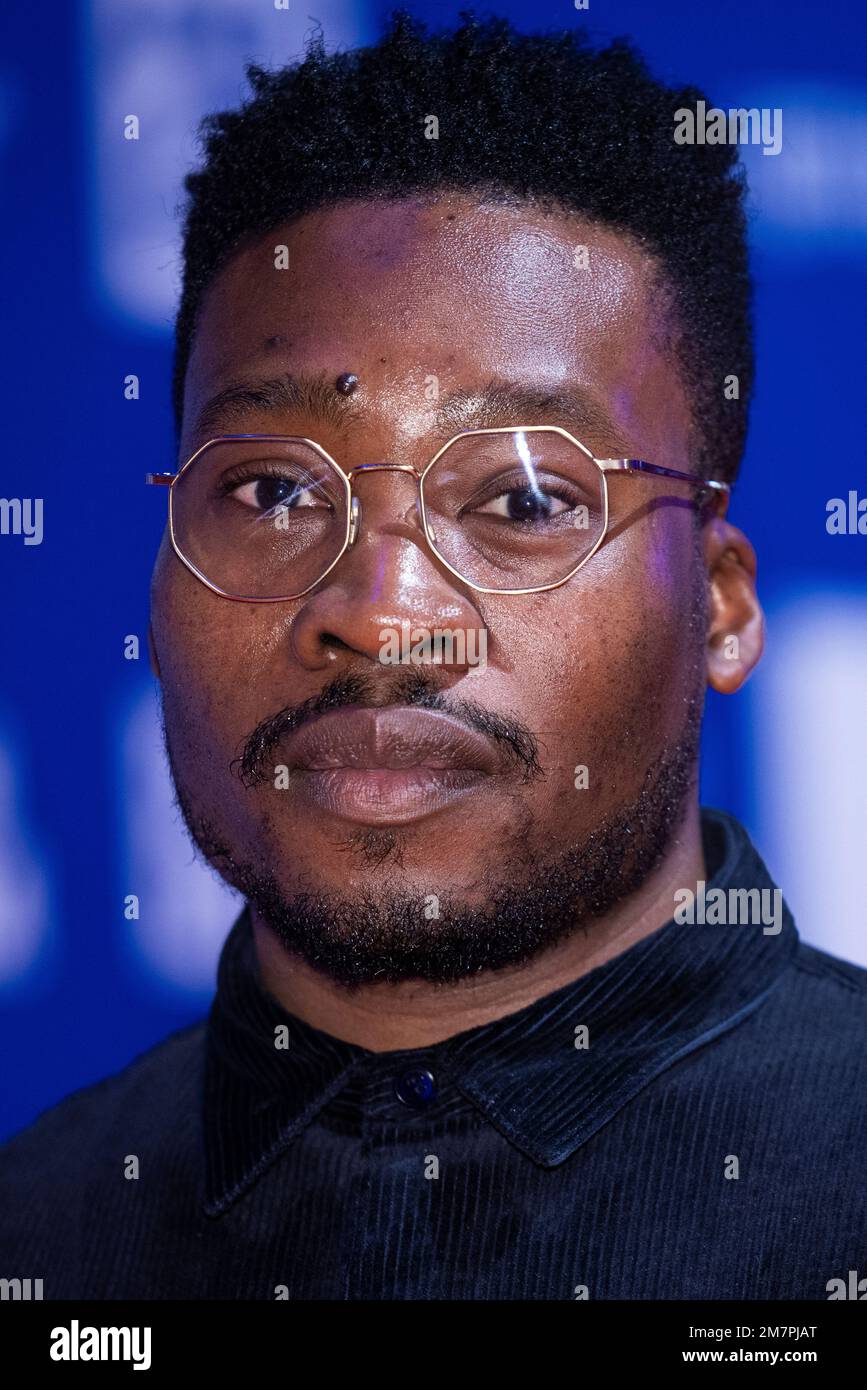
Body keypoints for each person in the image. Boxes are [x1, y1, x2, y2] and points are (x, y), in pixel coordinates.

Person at [1, 13, 864, 1301]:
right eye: (275, 492)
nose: (381, 611)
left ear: (724, 607)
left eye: (523, 500)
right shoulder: (40, 1245)